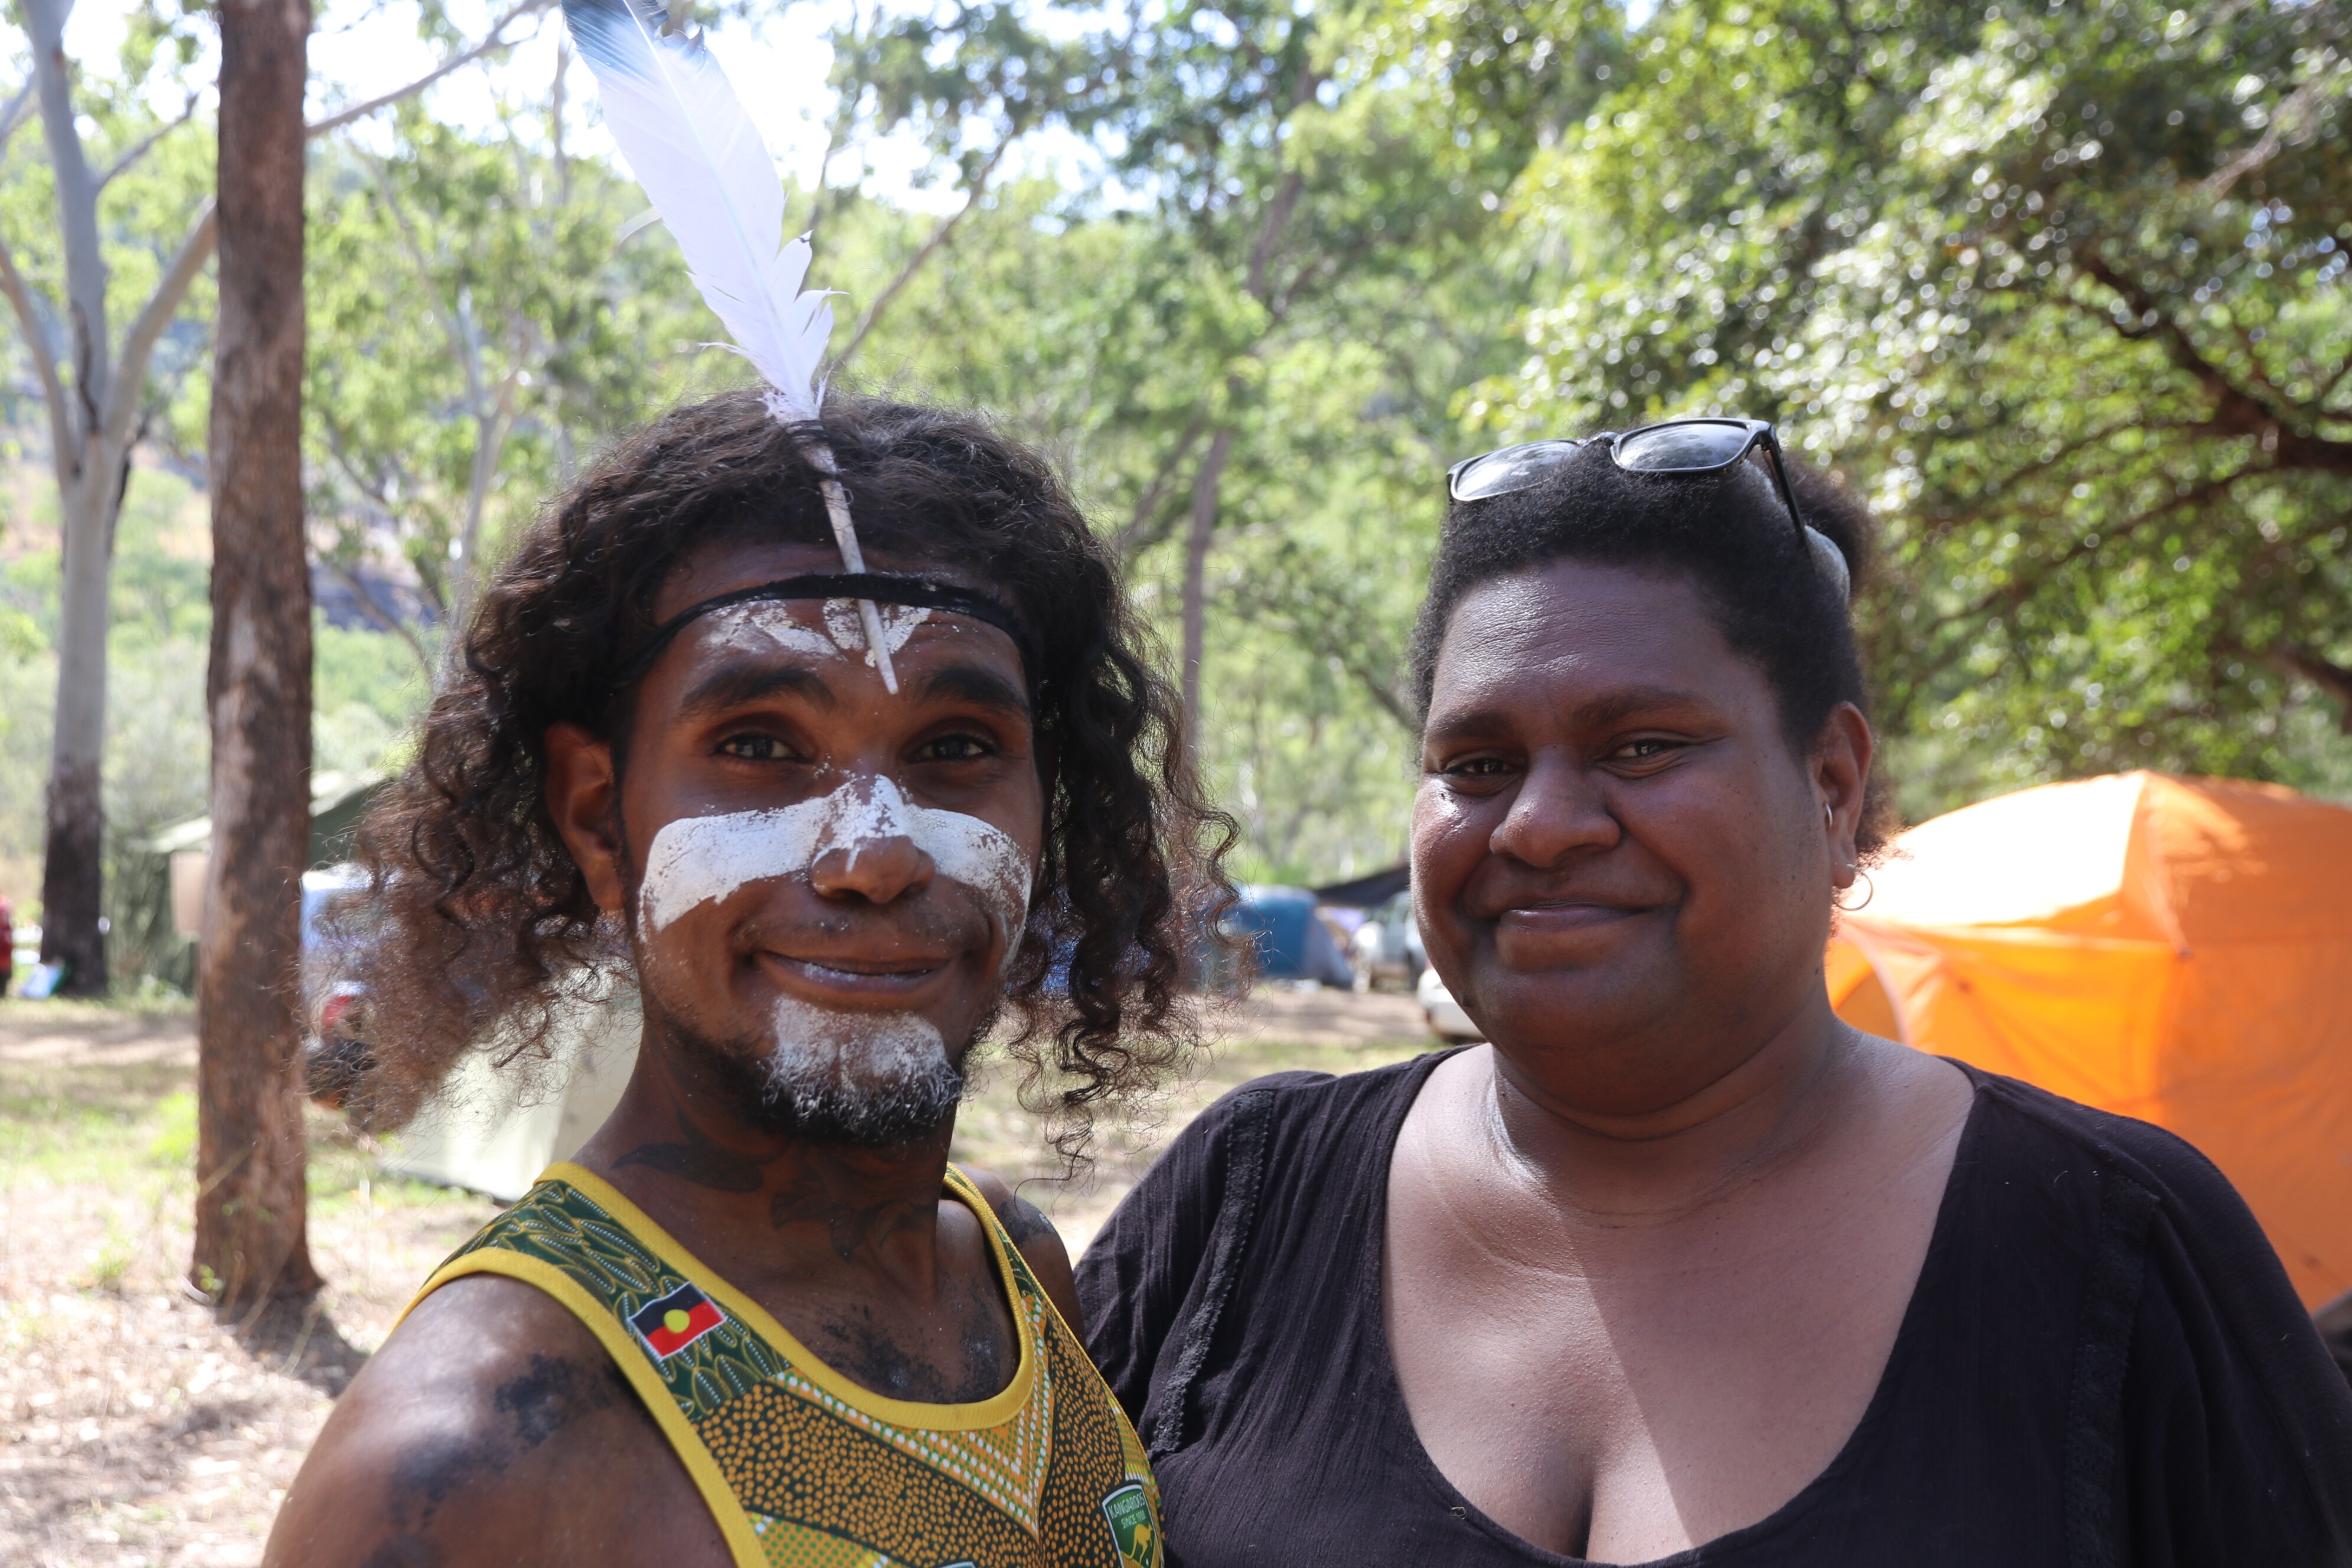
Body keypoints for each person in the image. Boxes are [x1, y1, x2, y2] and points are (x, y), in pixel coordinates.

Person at [1079, 418, 2352, 1566]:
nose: (1539, 823)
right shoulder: (1244, 1199)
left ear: (1835, 783)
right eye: (1475, 761)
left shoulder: (2120, 1249)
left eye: (1642, 745)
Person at [263, 390, 1218, 1568]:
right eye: (759, 743)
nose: (873, 853)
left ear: (1046, 815)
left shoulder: (1016, 1269)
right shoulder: (467, 1467)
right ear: (598, 821)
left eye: (957, 747)